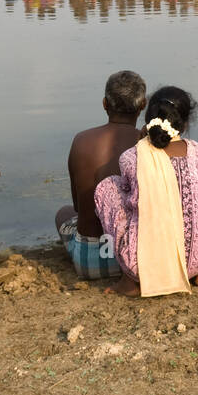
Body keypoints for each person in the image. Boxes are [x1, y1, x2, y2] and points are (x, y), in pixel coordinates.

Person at [93, 87, 198, 296]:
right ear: (185, 123)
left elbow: (134, 196)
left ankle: (129, 282)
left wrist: (142, 145)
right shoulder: (195, 150)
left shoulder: (131, 157)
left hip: (141, 267)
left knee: (108, 187)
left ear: (148, 119)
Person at [56, 72, 147, 279]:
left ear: (105, 104)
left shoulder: (81, 140)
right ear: (143, 104)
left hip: (90, 261)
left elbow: (79, 207)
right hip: (137, 258)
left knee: (63, 213)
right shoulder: (147, 143)